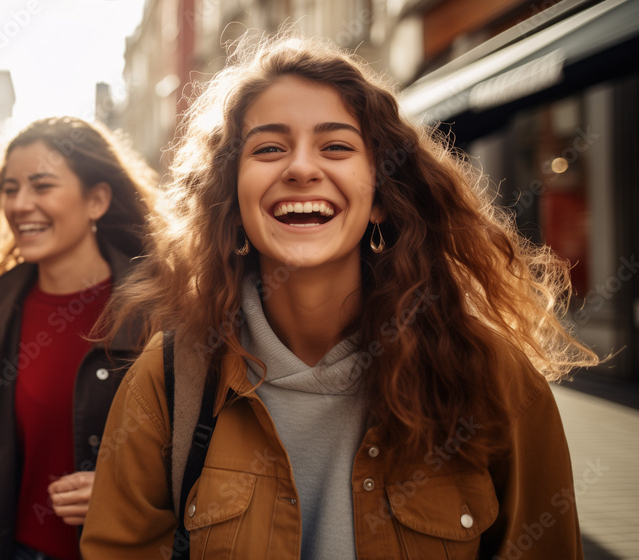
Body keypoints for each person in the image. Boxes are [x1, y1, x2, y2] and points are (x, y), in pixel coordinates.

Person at [80, 33, 598, 559]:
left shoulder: (490, 376)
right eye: (269, 148)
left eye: (336, 147)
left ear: (380, 197)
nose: (302, 168)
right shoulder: (169, 379)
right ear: (231, 200)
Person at [0, 116, 159, 560]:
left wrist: (125, 492)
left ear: (96, 200)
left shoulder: (159, 312)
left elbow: (204, 458)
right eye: (10, 189)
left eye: (42, 186)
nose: (19, 205)